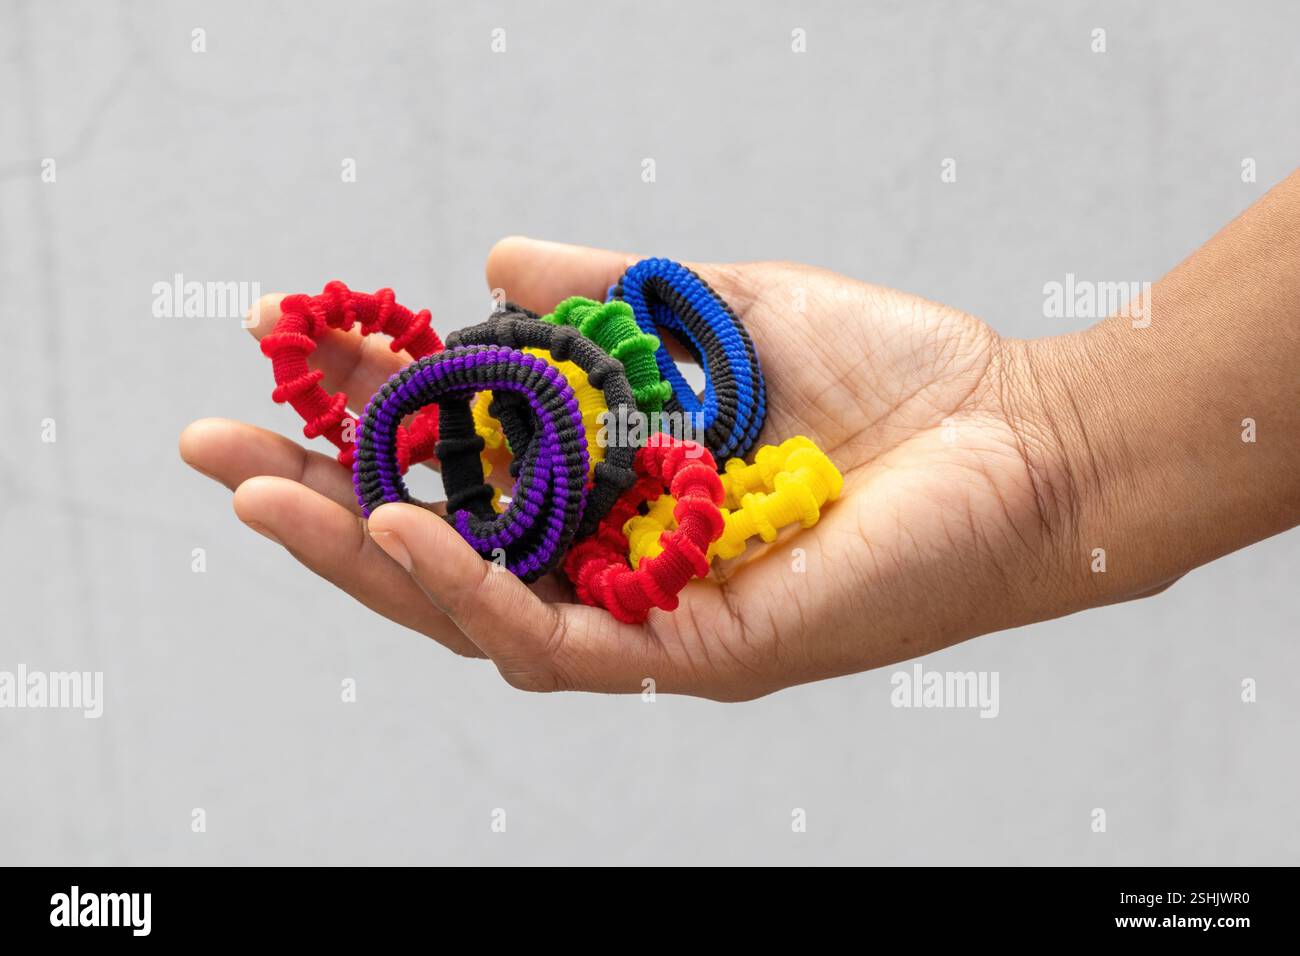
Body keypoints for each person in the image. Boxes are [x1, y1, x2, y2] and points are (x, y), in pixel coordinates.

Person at [179, 170, 1300, 701]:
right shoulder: (565, 401)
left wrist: (1055, 452)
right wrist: (1051, 448)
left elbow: (674, 426)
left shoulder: (648, 414)